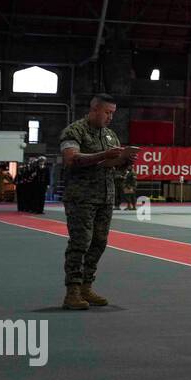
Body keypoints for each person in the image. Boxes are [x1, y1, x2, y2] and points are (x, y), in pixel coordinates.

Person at [58, 94, 138, 310]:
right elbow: (72, 158)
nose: (110, 117)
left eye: (113, 113)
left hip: (105, 197)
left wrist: (124, 161)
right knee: (80, 243)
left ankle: (86, 286)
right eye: (107, 112)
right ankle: (72, 292)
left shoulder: (110, 135)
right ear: (94, 110)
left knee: (99, 243)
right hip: (81, 197)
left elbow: (112, 165)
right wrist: (104, 154)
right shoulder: (74, 131)